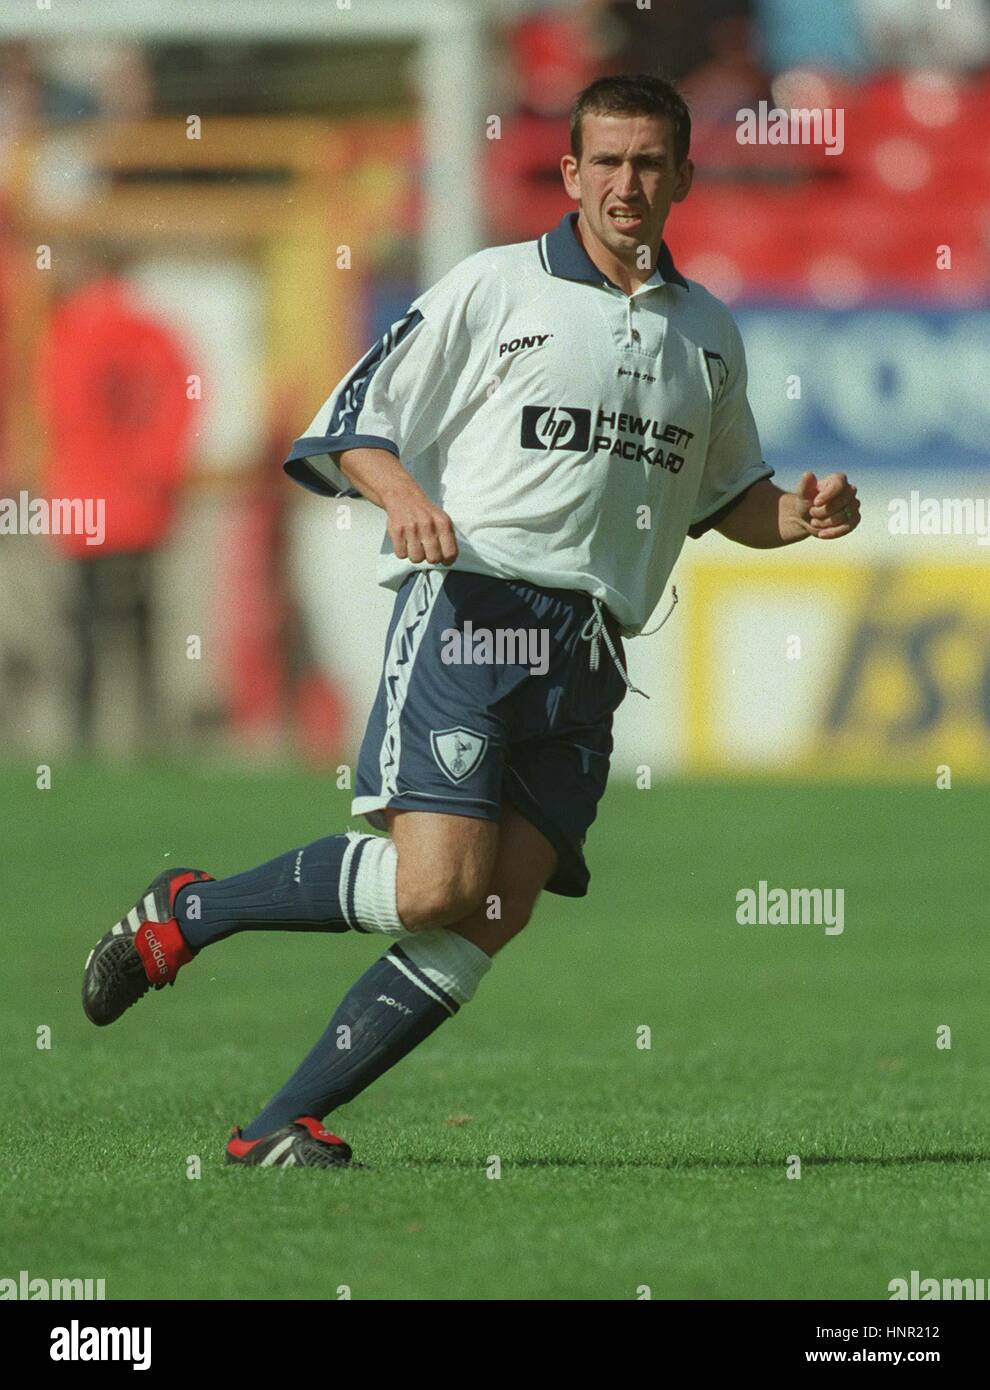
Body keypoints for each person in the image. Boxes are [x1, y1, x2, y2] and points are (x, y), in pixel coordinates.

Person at [81, 74, 860, 1169]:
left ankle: (274, 1130)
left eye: (650, 163)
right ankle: (192, 910)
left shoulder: (708, 335)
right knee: (433, 884)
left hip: (592, 652)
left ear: (683, 176)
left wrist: (803, 515)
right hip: (476, 612)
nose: (627, 183)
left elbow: (732, 500)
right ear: (570, 172)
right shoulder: (498, 289)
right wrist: (403, 498)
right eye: (608, 160)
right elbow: (356, 422)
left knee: (489, 911)